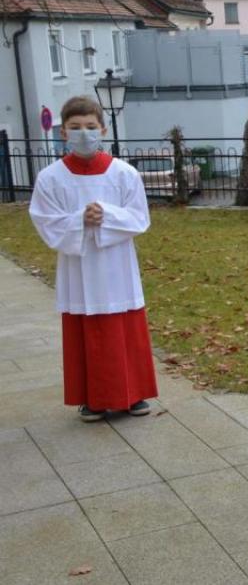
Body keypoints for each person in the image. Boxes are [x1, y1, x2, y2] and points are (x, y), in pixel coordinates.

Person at [29, 96, 156, 422]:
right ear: (63, 132)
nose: (83, 133)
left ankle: (133, 394)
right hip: (79, 266)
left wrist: (107, 216)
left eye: (90, 127)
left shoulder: (124, 173)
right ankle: (93, 399)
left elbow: (139, 217)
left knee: (125, 328)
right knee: (88, 331)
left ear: (103, 129)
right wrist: (78, 220)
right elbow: (44, 219)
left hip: (116, 265)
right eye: (75, 128)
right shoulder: (51, 177)